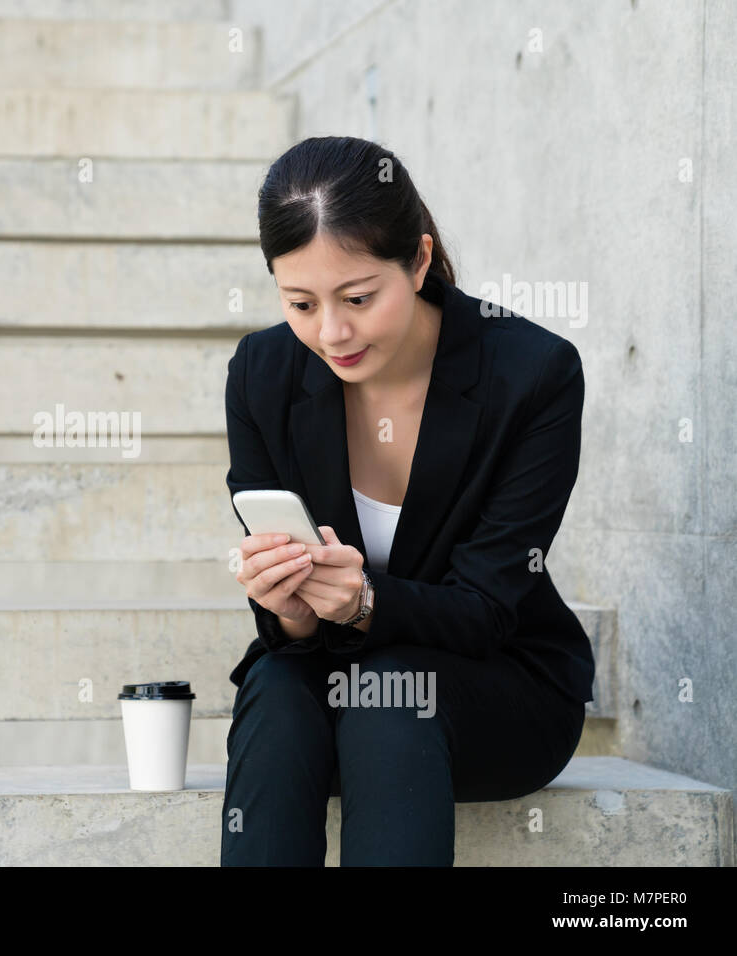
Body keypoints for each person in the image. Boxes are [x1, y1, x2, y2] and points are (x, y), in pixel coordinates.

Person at [221, 135, 594, 866]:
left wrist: (364, 602)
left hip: (498, 685)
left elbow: (489, 607)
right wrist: (291, 614)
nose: (331, 332)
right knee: (274, 683)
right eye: (300, 302)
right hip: (330, 679)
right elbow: (287, 618)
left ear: (419, 261)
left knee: (390, 690)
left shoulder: (532, 375)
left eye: (358, 298)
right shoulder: (262, 372)